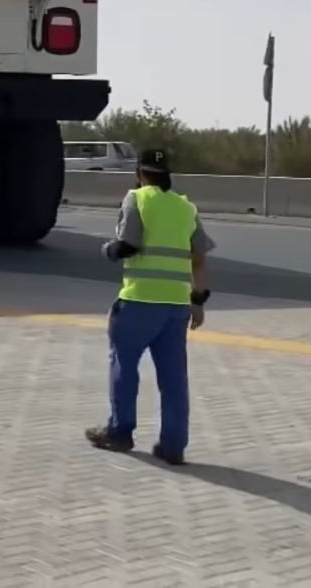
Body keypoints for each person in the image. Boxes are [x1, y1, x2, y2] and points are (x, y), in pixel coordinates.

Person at [85, 149, 214, 465]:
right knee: (174, 378)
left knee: (124, 365)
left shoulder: (136, 199)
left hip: (139, 301)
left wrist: (108, 250)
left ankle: (120, 432)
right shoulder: (186, 207)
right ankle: (173, 446)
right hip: (176, 306)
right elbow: (198, 259)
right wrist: (197, 301)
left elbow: (128, 244)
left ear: (139, 173)